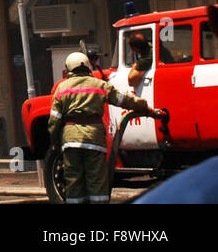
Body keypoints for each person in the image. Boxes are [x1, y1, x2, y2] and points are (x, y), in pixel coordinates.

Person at [49, 51, 161, 204]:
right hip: (94, 140)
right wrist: (143, 105)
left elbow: (54, 121)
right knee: (97, 181)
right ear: (88, 66)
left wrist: (56, 142)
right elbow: (123, 100)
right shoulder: (99, 85)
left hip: (70, 141)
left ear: (68, 68)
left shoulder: (61, 89)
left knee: (74, 182)